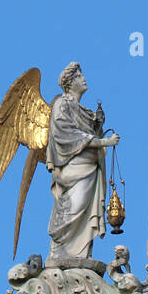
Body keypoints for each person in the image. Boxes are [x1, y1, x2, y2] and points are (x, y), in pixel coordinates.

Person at [47, 63, 118, 261]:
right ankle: (61, 251)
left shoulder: (82, 109)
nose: (83, 78)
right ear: (70, 83)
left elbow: (85, 135)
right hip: (74, 170)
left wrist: (98, 126)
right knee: (74, 208)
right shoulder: (62, 105)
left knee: (84, 213)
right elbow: (67, 135)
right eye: (79, 76)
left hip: (89, 168)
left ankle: (80, 253)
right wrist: (104, 141)